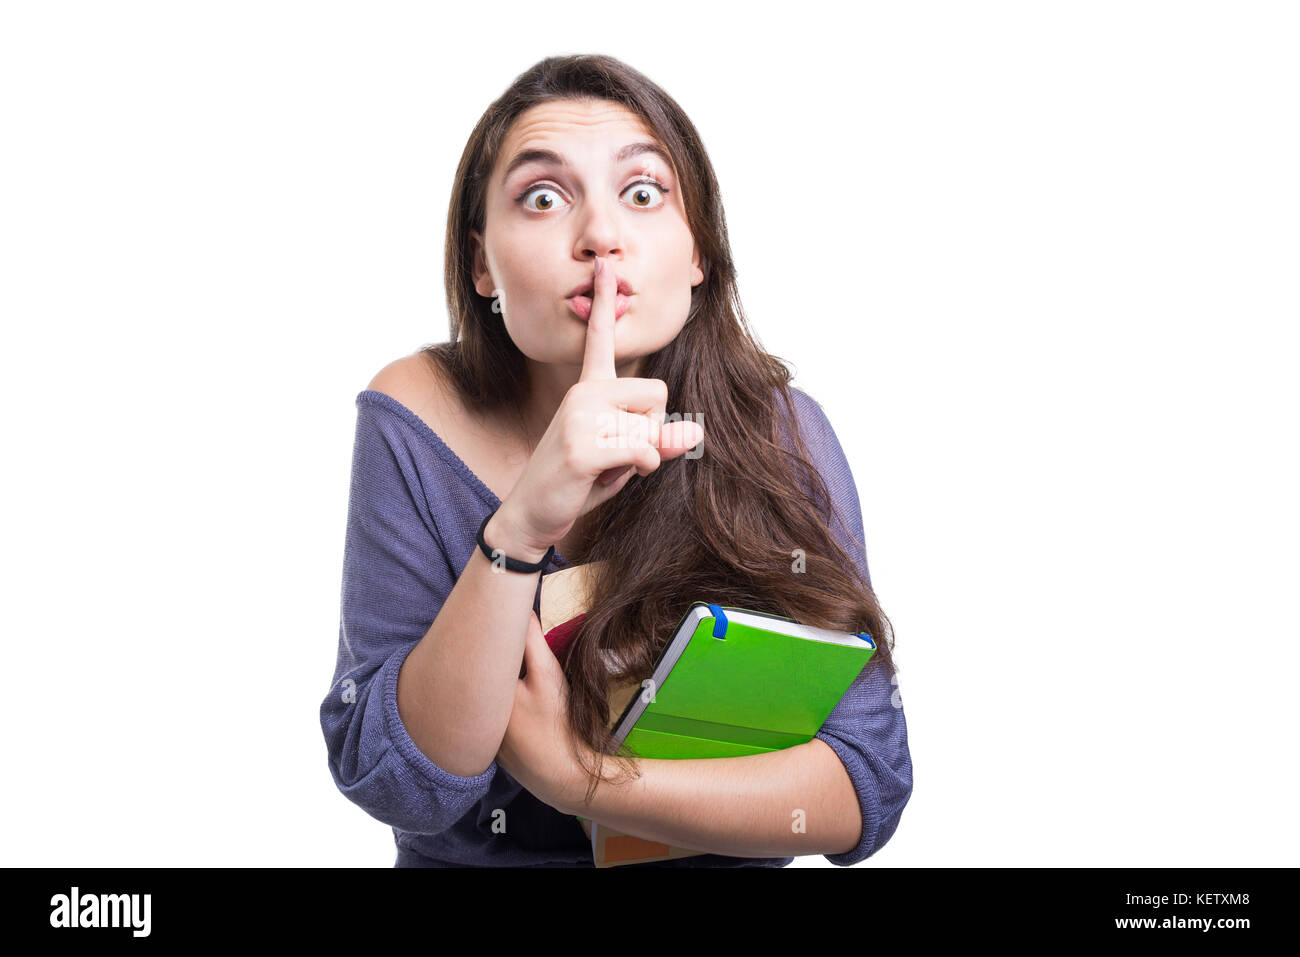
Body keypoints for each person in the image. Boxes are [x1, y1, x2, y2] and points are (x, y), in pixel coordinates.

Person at [319, 54, 913, 867]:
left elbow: (866, 779)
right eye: (542, 197)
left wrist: (585, 779)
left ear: (698, 251)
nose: (601, 237)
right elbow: (402, 785)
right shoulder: (416, 414)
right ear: (481, 261)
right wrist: (523, 523)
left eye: (642, 194)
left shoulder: (780, 430)